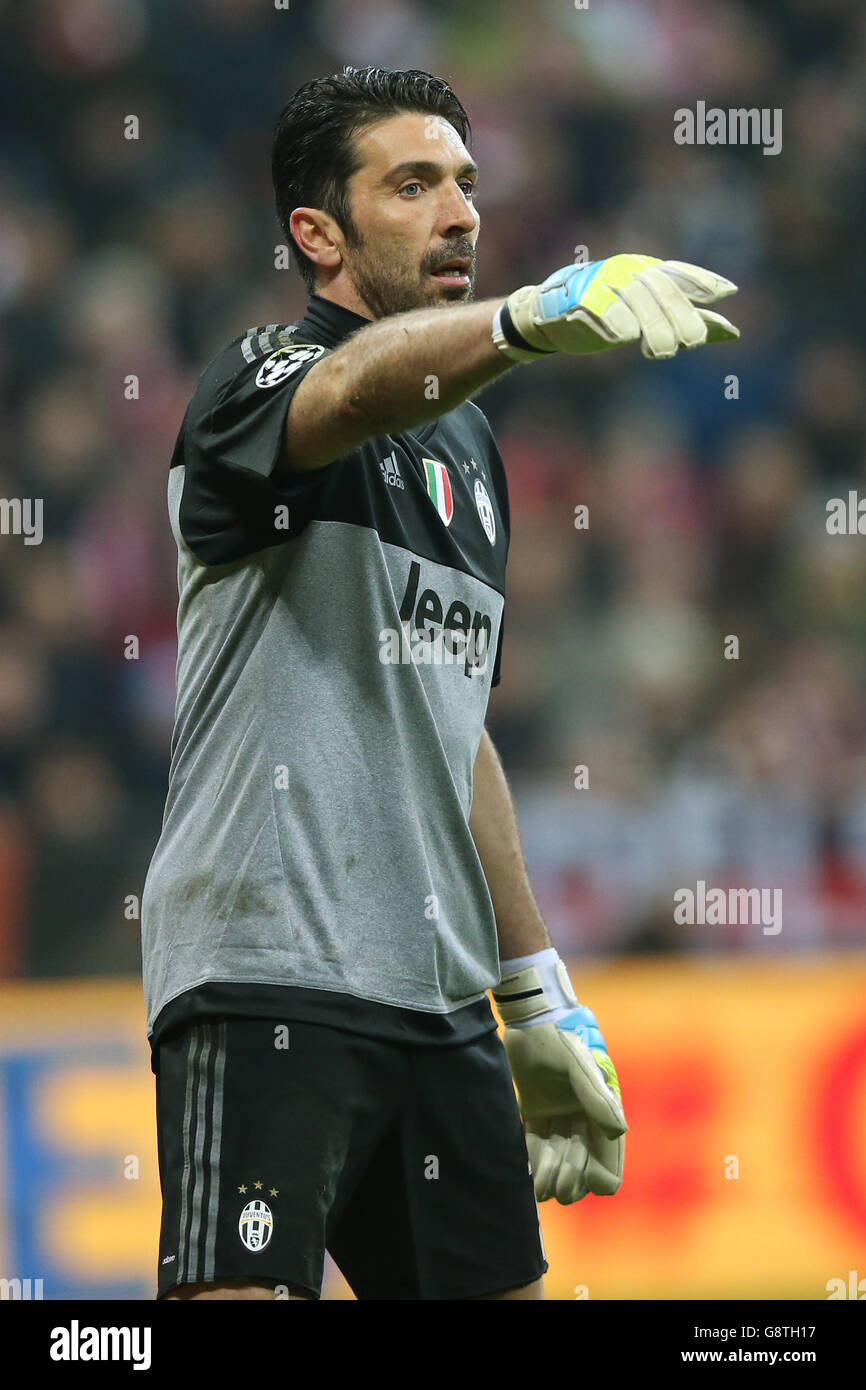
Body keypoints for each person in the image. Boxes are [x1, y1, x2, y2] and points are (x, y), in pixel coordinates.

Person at [141, 65, 738, 1301]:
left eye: (466, 182)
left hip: (438, 998)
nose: (461, 212)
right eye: (411, 185)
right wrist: (526, 320)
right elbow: (361, 386)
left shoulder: (470, 444)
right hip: (269, 973)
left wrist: (533, 988)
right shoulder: (255, 382)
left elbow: (449, 721)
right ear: (318, 232)